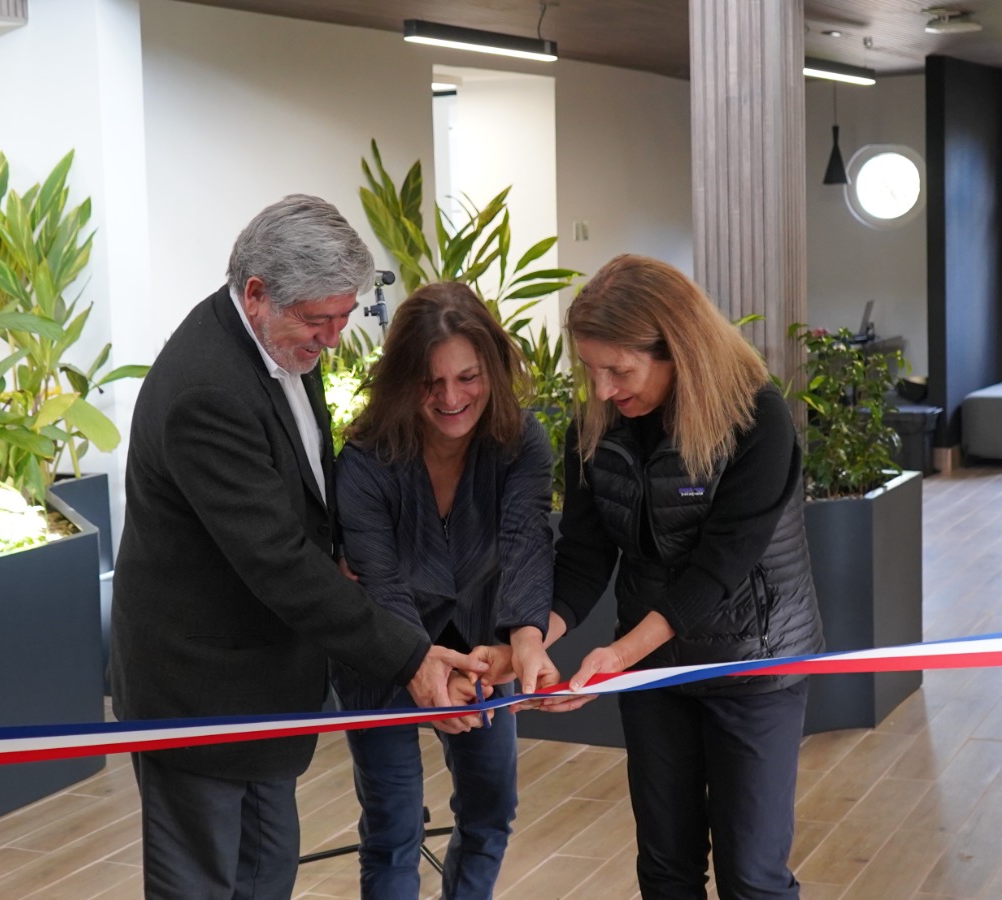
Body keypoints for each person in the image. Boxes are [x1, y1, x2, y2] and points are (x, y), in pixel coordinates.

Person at [110, 194, 487, 899]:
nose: (332, 340)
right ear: (257, 294)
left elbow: (308, 493)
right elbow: (277, 559)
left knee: (267, 872)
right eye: (320, 321)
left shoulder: (284, 343)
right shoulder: (207, 390)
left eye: (344, 318)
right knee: (201, 883)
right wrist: (408, 656)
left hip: (264, 686)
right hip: (201, 695)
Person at [520, 253, 825, 899]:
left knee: (753, 877)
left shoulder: (757, 420)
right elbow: (582, 555)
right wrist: (533, 636)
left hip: (753, 667)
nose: (602, 390)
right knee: (666, 868)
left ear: (677, 350)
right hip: (654, 676)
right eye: (591, 370)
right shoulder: (595, 429)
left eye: (619, 370)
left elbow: (720, 565)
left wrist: (618, 656)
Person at [332, 282, 557, 900]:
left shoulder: (521, 443)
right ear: (404, 381)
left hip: (482, 652)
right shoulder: (366, 461)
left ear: (494, 370)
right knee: (394, 829)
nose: (452, 398)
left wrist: (525, 642)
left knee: (490, 812)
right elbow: (381, 582)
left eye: (468, 377)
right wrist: (421, 670)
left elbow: (525, 543)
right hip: (385, 653)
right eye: (432, 383)